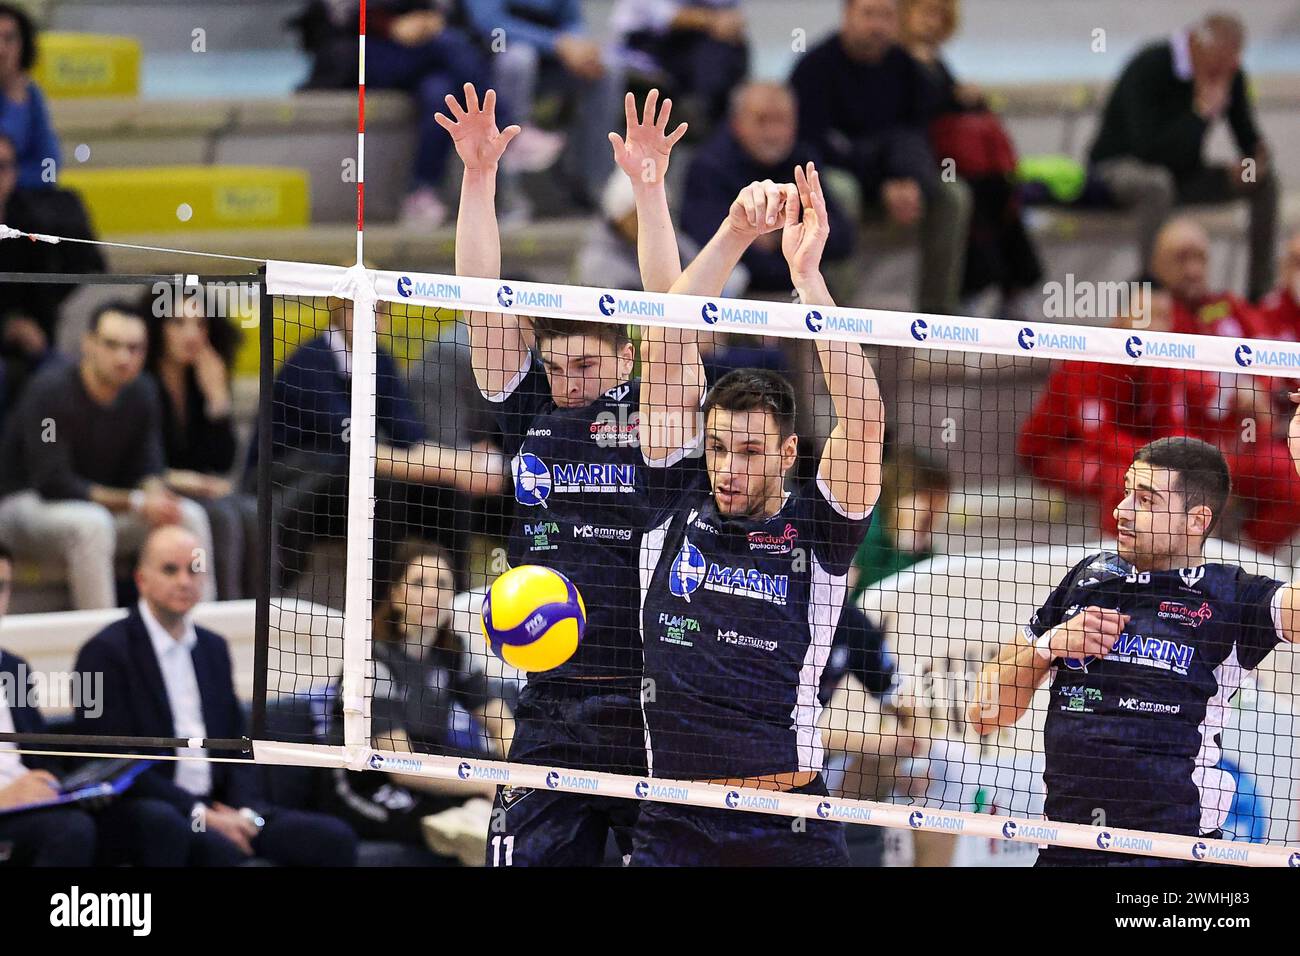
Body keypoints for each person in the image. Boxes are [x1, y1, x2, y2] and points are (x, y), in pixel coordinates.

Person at [440, 83, 773, 865]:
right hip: (550, 699)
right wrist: (480, 177)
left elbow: (673, 308)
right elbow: (479, 301)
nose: (570, 381)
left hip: (648, 700)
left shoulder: (654, 419)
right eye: (555, 365)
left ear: (625, 356)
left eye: (586, 362)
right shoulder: (531, 410)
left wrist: (651, 190)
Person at [633, 162, 885, 865]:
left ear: (787, 453)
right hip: (674, 821)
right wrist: (735, 232)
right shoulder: (673, 499)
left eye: (749, 450)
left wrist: (808, 279)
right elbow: (667, 346)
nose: (728, 466)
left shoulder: (821, 529)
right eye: (717, 447)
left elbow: (864, 423)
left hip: (785, 824)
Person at [971, 435, 1299, 866]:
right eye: (1127, 492)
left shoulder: (1234, 596)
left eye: (1145, 500)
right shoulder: (1088, 579)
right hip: (1068, 847)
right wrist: (1048, 647)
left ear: (1196, 520)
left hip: (1172, 851)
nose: (1121, 510)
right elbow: (985, 713)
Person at [75, 524, 359, 866]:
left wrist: (243, 812)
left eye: (194, 569)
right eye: (170, 569)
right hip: (162, 813)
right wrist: (201, 814)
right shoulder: (102, 653)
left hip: (223, 807)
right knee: (210, 846)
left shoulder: (213, 648)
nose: (184, 580)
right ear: (141, 579)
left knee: (332, 839)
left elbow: (237, 744)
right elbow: (113, 763)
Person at [261, 294, 503, 595]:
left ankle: (453, 603)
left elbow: (412, 439)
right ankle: (376, 609)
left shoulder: (381, 361)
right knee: (381, 486)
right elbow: (362, 451)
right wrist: (459, 467)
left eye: (380, 311)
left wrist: (466, 467)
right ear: (339, 310)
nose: (373, 319)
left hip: (348, 477)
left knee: (447, 493)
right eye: (361, 310)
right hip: (296, 482)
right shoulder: (309, 365)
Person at [0, 302, 215, 610]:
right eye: (112, 345)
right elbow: (53, 482)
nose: (123, 357)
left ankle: (201, 632)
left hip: (100, 505)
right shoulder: (49, 391)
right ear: (88, 343)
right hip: (24, 505)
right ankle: (104, 643)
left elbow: (147, 468)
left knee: (188, 515)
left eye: (134, 348)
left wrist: (157, 498)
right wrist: (137, 502)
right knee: (93, 525)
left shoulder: (143, 391)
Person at [319, 541, 513, 866]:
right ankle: (470, 831)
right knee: (438, 814)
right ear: (395, 594)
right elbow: (400, 766)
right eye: (419, 583)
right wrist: (485, 785)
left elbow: (502, 723)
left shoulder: (455, 651)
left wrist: (516, 776)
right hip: (367, 779)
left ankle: (475, 825)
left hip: (428, 761)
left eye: (443, 584)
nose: (433, 594)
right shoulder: (372, 660)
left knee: (500, 778)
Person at [790, 0, 970, 315]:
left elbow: (914, 135)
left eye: (887, 16)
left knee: (954, 195)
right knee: (840, 190)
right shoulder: (814, 68)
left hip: (894, 177)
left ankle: (937, 315)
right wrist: (880, 184)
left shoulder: (906, 68)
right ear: (848, 16)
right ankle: (834, 314)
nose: (877, 25)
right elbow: (817, 148)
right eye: (868, 14)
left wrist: (908, 178)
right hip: (840, 177)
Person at [1088, 12, 1278, 300]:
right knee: (1156, 183)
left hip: (1182, 177)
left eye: (1229, 66)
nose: (1221, 74)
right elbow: (1149, 151)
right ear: (1194, 46)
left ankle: (1259, 293)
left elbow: (1247, 138)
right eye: (1215, 65)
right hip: (1121, 169)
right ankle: (1152, 289)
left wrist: (1254, 164)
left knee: (1264, 183)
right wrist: (1199, 114)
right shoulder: (1150, 65)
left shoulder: (1229, 73)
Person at [900, 0, 1042, 318]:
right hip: (924, 161)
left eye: (939, 15)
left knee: (999, 188)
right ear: (905, 15)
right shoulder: (897, 62)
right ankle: (972, 289)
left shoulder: (938, 62)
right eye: (925, 13)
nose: (932, 22)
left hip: (954, 159)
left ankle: (1015, 284)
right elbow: (911, 116)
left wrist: (968, 98)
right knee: (966, 194)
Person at [681, 81, 854, 295]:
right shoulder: (709, 166)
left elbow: (841, 237)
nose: (773, 133)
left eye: (782, 121)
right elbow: (709, 249)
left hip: (798, 289)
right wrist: (797, 247)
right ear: (736, 122)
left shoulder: (802, 159)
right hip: (735, 296)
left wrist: (777, 237)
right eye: (762, 121)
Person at [142, 289, 259, 601]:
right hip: (153, 488)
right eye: (178, 323)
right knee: (222, 517)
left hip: (200, 489)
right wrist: (189, 481)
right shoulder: (142, 382)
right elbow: (137, 461)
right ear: (157, 328)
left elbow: (222, 462)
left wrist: (218, 400)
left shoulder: (203, 378)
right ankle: (227, 613)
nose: (191, 334)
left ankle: (262, 613)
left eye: (200, 324)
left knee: (253, 510)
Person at [463, 0, 621, 217]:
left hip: (549, 59)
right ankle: (506, 190)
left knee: (607, 68)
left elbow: (573, 21)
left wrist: (577, 46)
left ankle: (597, 184)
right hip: (489, 55)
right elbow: (492, 27)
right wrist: (555, 43)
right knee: (518, 60)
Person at [0, 544, 98, 866]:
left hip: (29, 806)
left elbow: (41, 755)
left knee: (134, 817)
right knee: (70, 830)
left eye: (1, 587)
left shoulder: (13, 668)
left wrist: (62, 784)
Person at [608, 0, 749, 129]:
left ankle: (711, 117)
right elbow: (667, 17)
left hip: (699, 56)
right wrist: (712, 21)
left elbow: (734, 17)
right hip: (644, 56)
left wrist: (727, 23)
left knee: (729, 50)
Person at [0, 4, 59, 191]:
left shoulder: (30, 95)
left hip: (20, 200)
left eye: (9, 39)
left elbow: (49, 166)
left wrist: (13, 178)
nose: (1, 50)